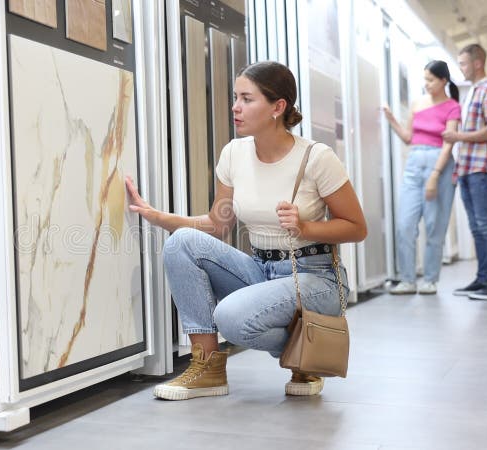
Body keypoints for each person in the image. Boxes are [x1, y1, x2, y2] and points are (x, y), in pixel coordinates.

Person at [124, 61, 367, 400]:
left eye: (247, 99)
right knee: (182, 244)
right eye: (235, 97)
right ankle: (207, 367)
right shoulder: (234, 154)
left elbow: (357, 228)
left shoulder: (316, 157)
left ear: (278, 107)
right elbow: (217, 224)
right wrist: (157, 216)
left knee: (230, 316)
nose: (235, 107)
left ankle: (310, 354)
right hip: (260, 270)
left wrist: (305, 226)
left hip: (315, 275)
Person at [382, 60, 461, 295]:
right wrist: (391, 119)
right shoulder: (417, 103)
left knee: (435, 226)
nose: (426, 84)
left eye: (430, 79)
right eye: (424, 79)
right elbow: (408, 137)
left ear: (443, 81)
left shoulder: (452, 106)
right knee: (405, 225)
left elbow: (449, 141)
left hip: (440, 165)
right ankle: (407, 279)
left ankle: (430, 280)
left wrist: (435, 176)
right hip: (414, 163)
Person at [441, 43, 487, 300]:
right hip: (468, 168)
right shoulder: (473, 92)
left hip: (483, 168)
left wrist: (458, 136)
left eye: (464, 63)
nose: (461, 68)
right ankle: (484, 279)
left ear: (477, 63)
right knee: (477, 227)